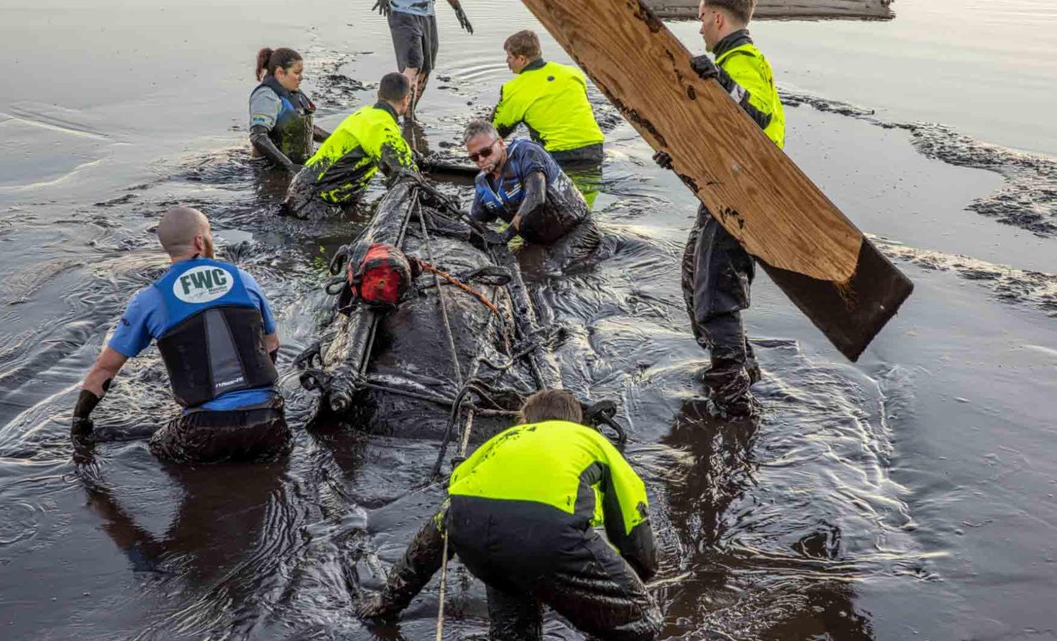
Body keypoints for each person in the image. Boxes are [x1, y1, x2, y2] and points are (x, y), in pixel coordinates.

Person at [358, 389, 662, 641]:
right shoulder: (592, 441)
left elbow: (442, 523)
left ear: (525, 419)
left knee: (514, 631)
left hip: (475, 537)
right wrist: (636, 579)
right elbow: (632, 518)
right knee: (644, 621)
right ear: (577, 420)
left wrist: (387, 604)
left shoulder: (501, 442)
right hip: (549, 537)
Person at [70, 207, 289, 464]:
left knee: (150, 442)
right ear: (200, 240)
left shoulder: (150, 299)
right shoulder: (243, 279)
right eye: (209, 234)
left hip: (203, 434)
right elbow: (272, 344)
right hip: (270, 426)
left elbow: (104, 370)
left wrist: (79, 424)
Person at [654, 0, 785, 419]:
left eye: (700, 21)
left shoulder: (741, 59)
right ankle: (743, 371)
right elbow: (721, 131)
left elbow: (758, 119)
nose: (699, 31)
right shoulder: (734, 60)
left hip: (743, 194)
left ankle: (734, 404)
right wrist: (679, 154)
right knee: (695, 276)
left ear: (716, 17)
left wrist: (724, 82)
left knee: (715, 291)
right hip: (725, 190)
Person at [464, 120, 599, 269]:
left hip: (578, 230)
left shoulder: (526, 153)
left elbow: (536, 199)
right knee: (518, 269)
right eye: (474, 157)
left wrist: (505, 235)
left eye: (485, 152)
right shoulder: (482, 185)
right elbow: (477, 224)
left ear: (501, 143)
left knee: (551, 270)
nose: (481, 160)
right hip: (537, 243)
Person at [283, 72, 418, 218]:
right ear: (406, 99)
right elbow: (405, 174)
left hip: (299, 189)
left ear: (378, 94)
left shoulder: (363, 114)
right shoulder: (383, 127)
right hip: (314, 203)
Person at [491, 30, 605, 168]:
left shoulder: (514, 89)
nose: (507, 61)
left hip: (557, 155)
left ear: (522, 59)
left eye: (509, 57)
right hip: (594, 148)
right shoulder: (572, 73)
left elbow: (494, 132)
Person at [373, 0, 473, 119]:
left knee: (426, 68)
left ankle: (409, 116)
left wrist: (457, 8)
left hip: (427, 12)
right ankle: (385, 115)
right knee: (413, 66)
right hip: (403, 11)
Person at [249, 47, 330, 171]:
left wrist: (334, 139)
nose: (301, 78)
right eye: (297, 73)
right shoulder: (266, 96)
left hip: (295, 165)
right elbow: (258, 137)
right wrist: (289, 166)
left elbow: (305, 128)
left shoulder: (293, 92)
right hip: (269, 169)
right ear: (280, 73)